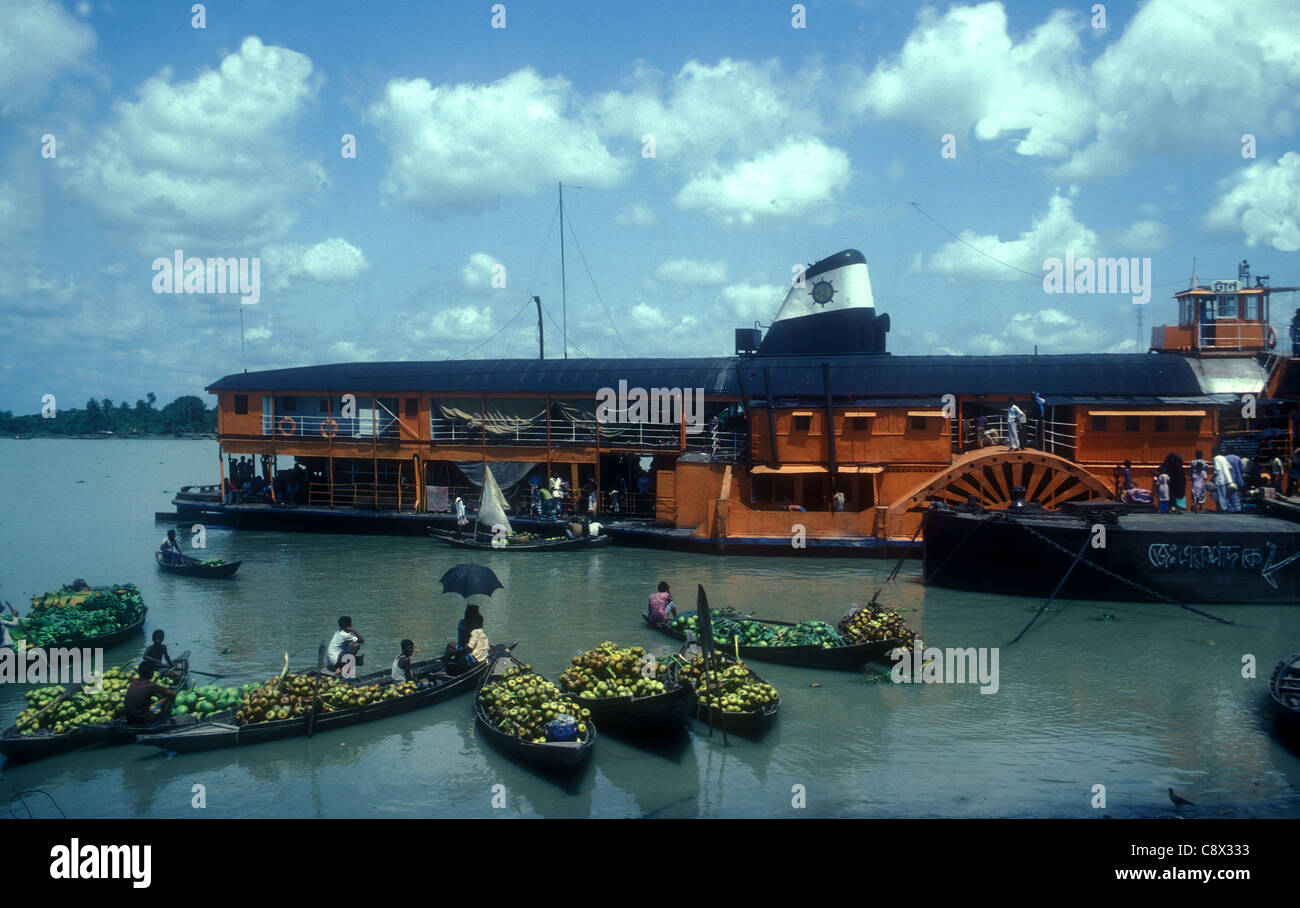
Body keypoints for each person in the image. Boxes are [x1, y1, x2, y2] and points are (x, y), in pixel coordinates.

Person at [445, 605, 488, 675]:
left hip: (473, 657)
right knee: (453, 646)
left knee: (450, 647)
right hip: (477, 653)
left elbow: (468, 648)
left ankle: (444, 669)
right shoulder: (477, 628)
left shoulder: (473, 630)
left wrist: (455, 652)